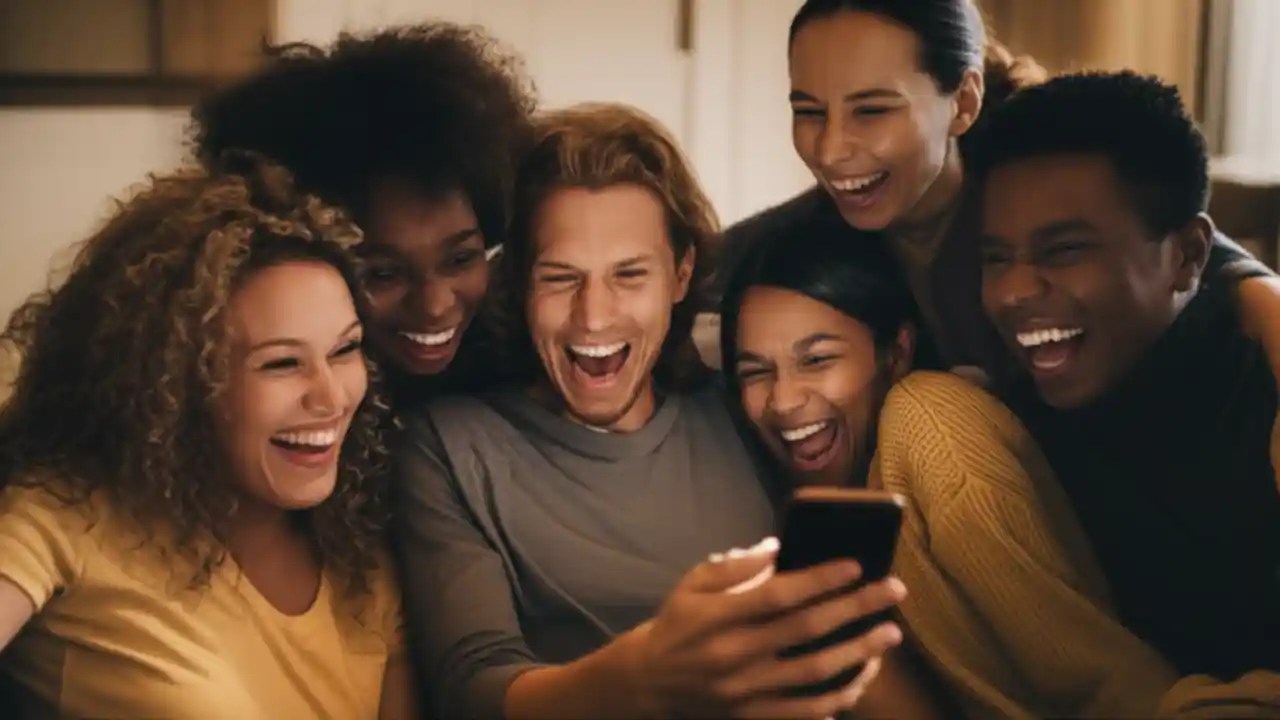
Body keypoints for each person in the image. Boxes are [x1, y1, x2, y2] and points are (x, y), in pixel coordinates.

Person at [394, 102, 908, 719]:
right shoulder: (450, 446)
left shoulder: (739, 409)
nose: (594, 316)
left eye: (629, 275)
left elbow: (842, 643)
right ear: (521, 286)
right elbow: (473, 692)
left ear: (682, 273)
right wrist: (645, 676)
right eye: (560, 278)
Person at [721, 210, 1259, 717]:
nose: (783, 400)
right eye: (754, 372)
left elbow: (1100, 680)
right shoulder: (769, 505)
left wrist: (1257, 286)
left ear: (897, 351)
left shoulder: (930, 424)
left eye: (817, 360)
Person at [0, 158, 414, 718]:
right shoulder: (64, 516)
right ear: (176, 382)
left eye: (345, 350)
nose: (332, 397)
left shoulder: (363, 567)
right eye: (282, 364)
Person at [714, 0, 1280, 383]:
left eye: (872, 110)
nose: (832, 149)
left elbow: (1219, 268)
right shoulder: (807, 234)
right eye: (809, 112)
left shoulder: (1037, 188)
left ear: (963, 102)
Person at [978, 71, 1280, 705]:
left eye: (1063, 251)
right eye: (996, 258)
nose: (1013, 292)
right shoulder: (1007, 438)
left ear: (1189, 256)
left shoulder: (1262, 405)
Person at [193, 23, 536, 405]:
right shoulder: (251, 396)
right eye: (384, 274)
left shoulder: (520, 373)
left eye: (459, 259)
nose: (435, 304)